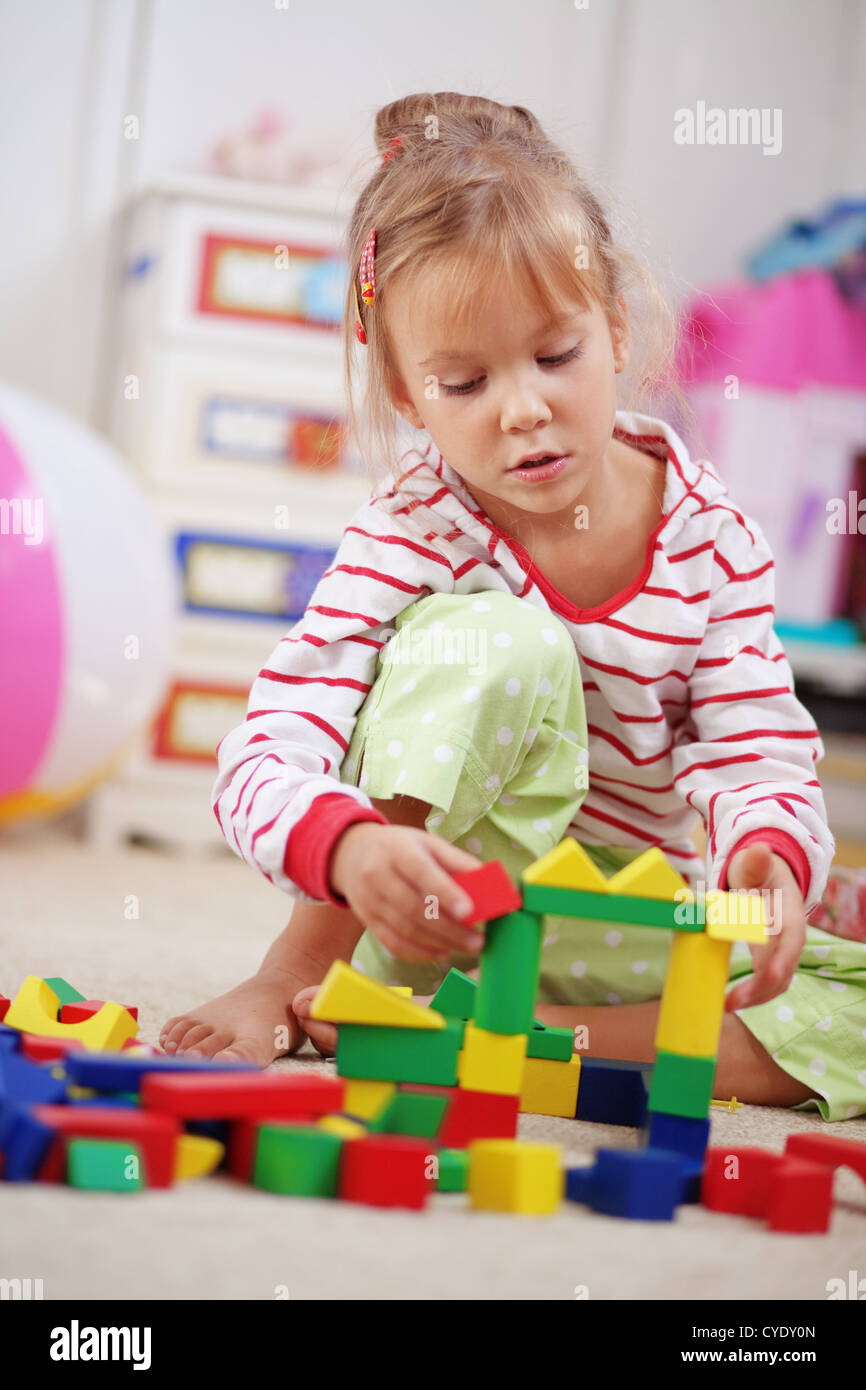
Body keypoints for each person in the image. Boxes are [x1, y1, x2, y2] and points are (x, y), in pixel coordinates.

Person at [160, 93, 865, 1121]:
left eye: (553, 355)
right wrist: (352, 850)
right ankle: (301, 975)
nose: (521, 406)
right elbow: (266, 748)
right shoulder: (411, 529)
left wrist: (764, 848)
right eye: (464, 380)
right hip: (435, 910)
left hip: (626, 926)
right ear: (410, 397)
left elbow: (751, 741)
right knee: (494, 640)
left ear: (615, 327)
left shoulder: (712, 537)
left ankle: (496, 1041)